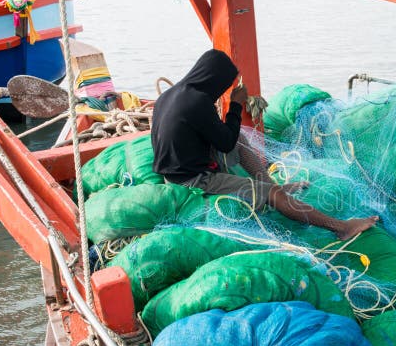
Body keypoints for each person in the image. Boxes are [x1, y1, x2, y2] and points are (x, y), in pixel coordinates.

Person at [151, 49, 377, 240]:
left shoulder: (171, 95)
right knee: (270, 192)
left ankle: (271, 185)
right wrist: (236, 105)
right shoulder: (198, 101)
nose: (221, 91)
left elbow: (223, 137)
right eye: (223, 85)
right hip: (192, 180)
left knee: (240, 137)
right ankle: (341, 227)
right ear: (214, 80)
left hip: (173, 170)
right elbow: (226, 143)